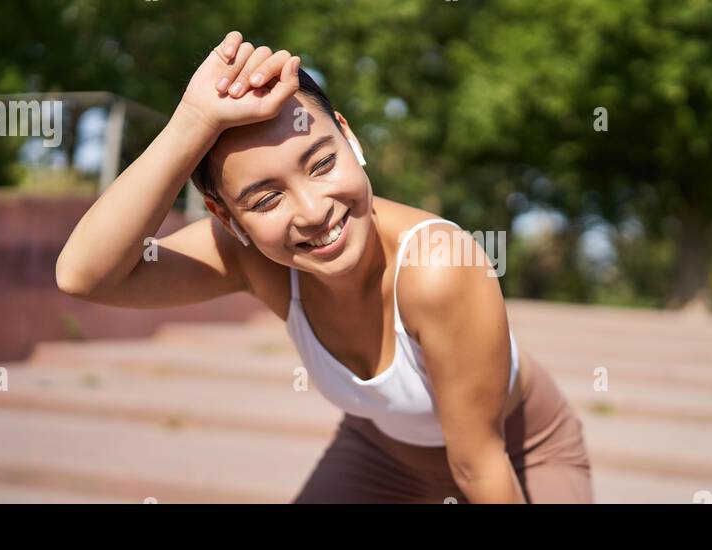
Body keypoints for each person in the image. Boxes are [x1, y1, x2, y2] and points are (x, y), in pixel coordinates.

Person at [56, 31, 592, 503]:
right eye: (265, 201)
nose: (314, 213)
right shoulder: (252, 260)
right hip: (379, 453)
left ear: (348, 135)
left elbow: (477, 463)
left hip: (518, 451)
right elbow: (85, 275)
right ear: (225, 215)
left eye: (322, 162)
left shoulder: (439, 267)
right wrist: (191, 123)